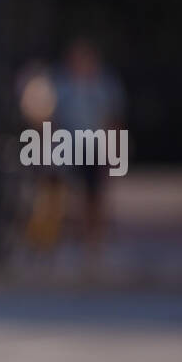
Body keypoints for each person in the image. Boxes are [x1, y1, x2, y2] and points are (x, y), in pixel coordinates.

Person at [51, 39, 124, 257]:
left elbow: (113, 118)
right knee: (73, 192)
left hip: (96, 145)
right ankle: (79, 234)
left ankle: (95, 238)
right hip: (70, 145)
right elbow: (52, 116)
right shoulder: (62, 84)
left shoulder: (104, 85)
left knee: (96, 194)